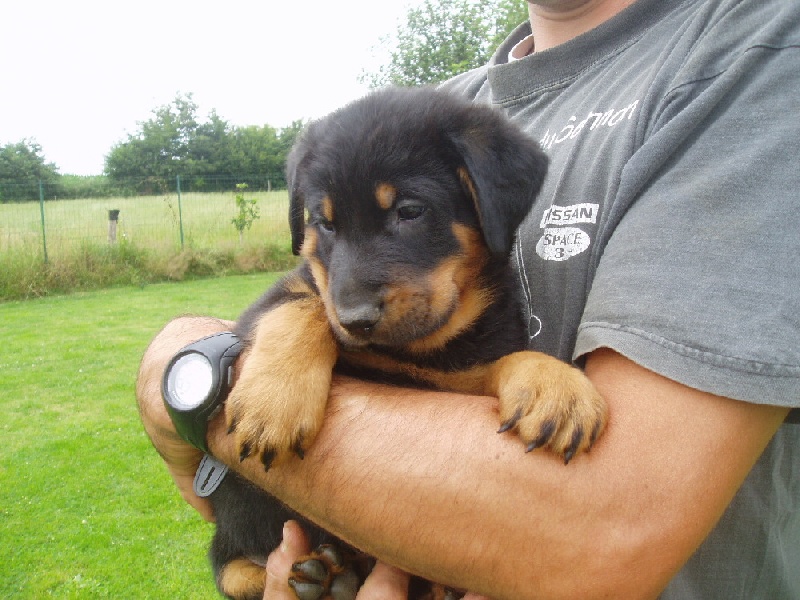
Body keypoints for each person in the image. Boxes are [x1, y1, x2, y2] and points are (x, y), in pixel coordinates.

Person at [136, 0, 800, 598]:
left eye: (407, 214)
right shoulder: (440, 106)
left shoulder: (755, 50)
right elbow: (300, 297)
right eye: (330, 226)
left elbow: (605, 534)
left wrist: (191, 379)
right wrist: (280, 343)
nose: (355, 301)